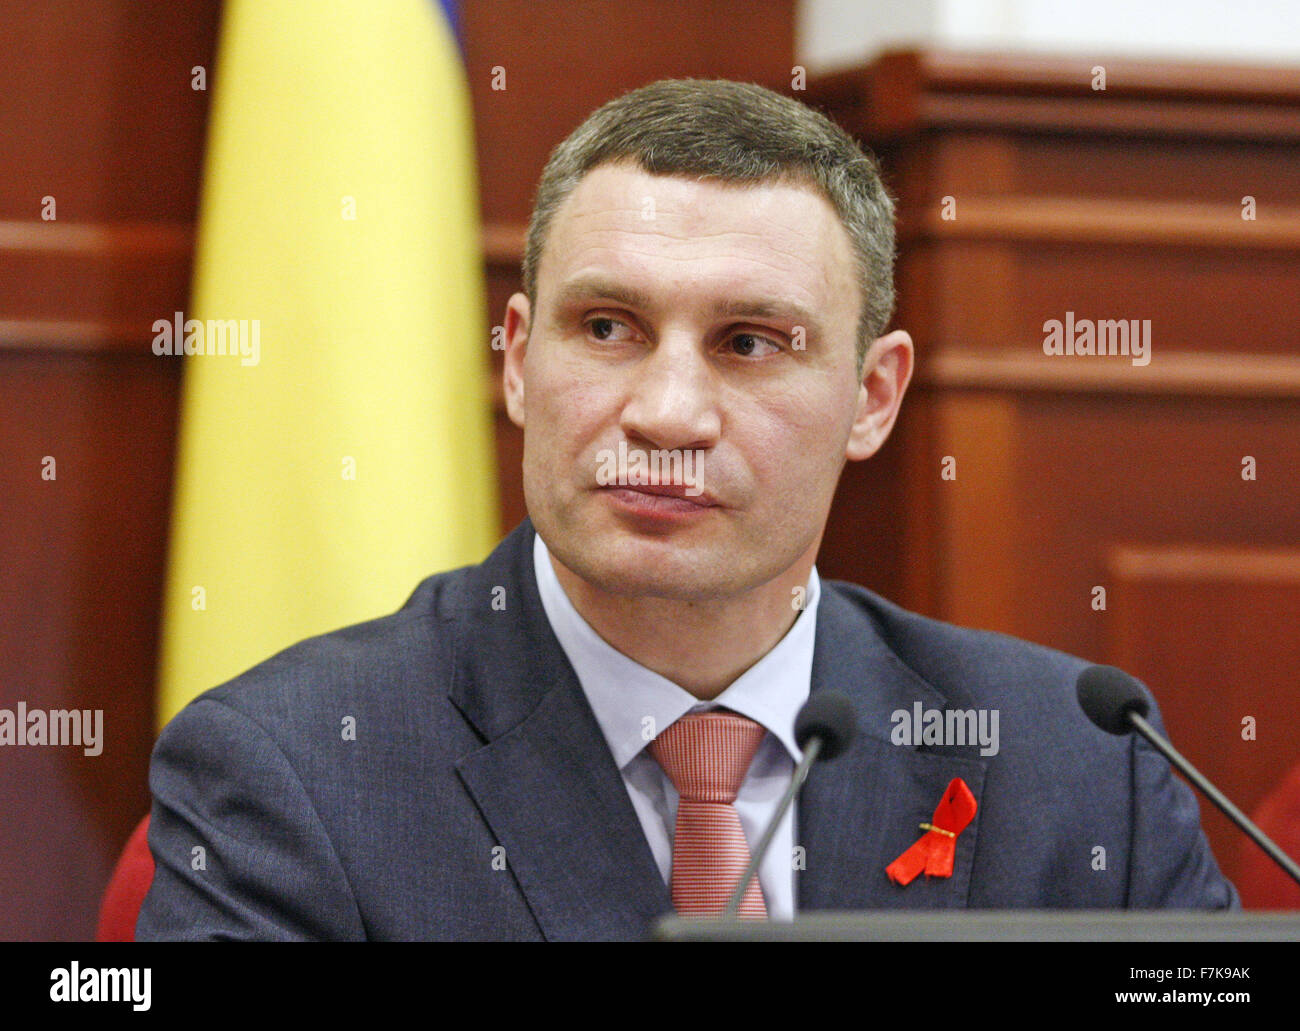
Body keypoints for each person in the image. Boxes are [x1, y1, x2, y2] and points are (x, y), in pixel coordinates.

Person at [138, 79, 1236, 941]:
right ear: (519, 362)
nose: (666, 412)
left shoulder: (1081, 763)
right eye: (607, 328)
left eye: (748, 342)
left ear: (872, 395)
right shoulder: (295, 767)